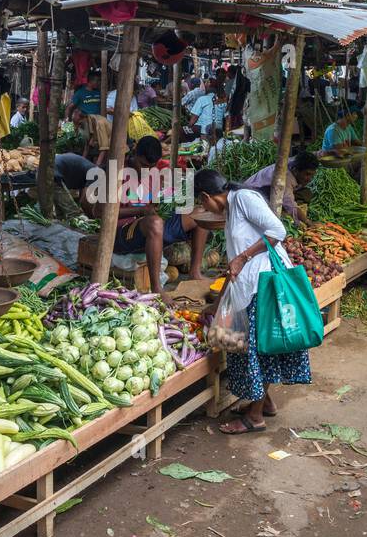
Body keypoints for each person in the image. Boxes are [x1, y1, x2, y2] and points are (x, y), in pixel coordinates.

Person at [192, 169, 311, 433]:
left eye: (201, 202)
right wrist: (218, 301)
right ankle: (264, 404)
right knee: (246, 347)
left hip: (264, 286)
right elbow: (233, 263)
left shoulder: (244, 198)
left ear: (205, 195)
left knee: (258, 351)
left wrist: (244, 257)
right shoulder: (232, 208)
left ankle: (254, 417)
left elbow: (277, 230)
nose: (203, 208)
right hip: (249, 287)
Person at [79, 137, 210, 302]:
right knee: (154, 222)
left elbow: (154, 202)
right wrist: (142, 210)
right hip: (120, 234)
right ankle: (156, 288)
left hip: (149, 227)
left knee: (200, 213)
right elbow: (98, 211)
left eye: (151, 166)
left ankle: (195, 272)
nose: (146, 170)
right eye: (142, 165)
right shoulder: (116, 172)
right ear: (134, 154)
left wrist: (165, 200)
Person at [240, 150, 319, 223]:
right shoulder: (284, 179)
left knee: (306, 193)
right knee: (288, 203)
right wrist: (307, 222)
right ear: (295, 170)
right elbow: (290, 205)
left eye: (312, 175)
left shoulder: (293, 162)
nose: (309, 179)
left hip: (267, 189)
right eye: (307, 174)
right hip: (253, 193)